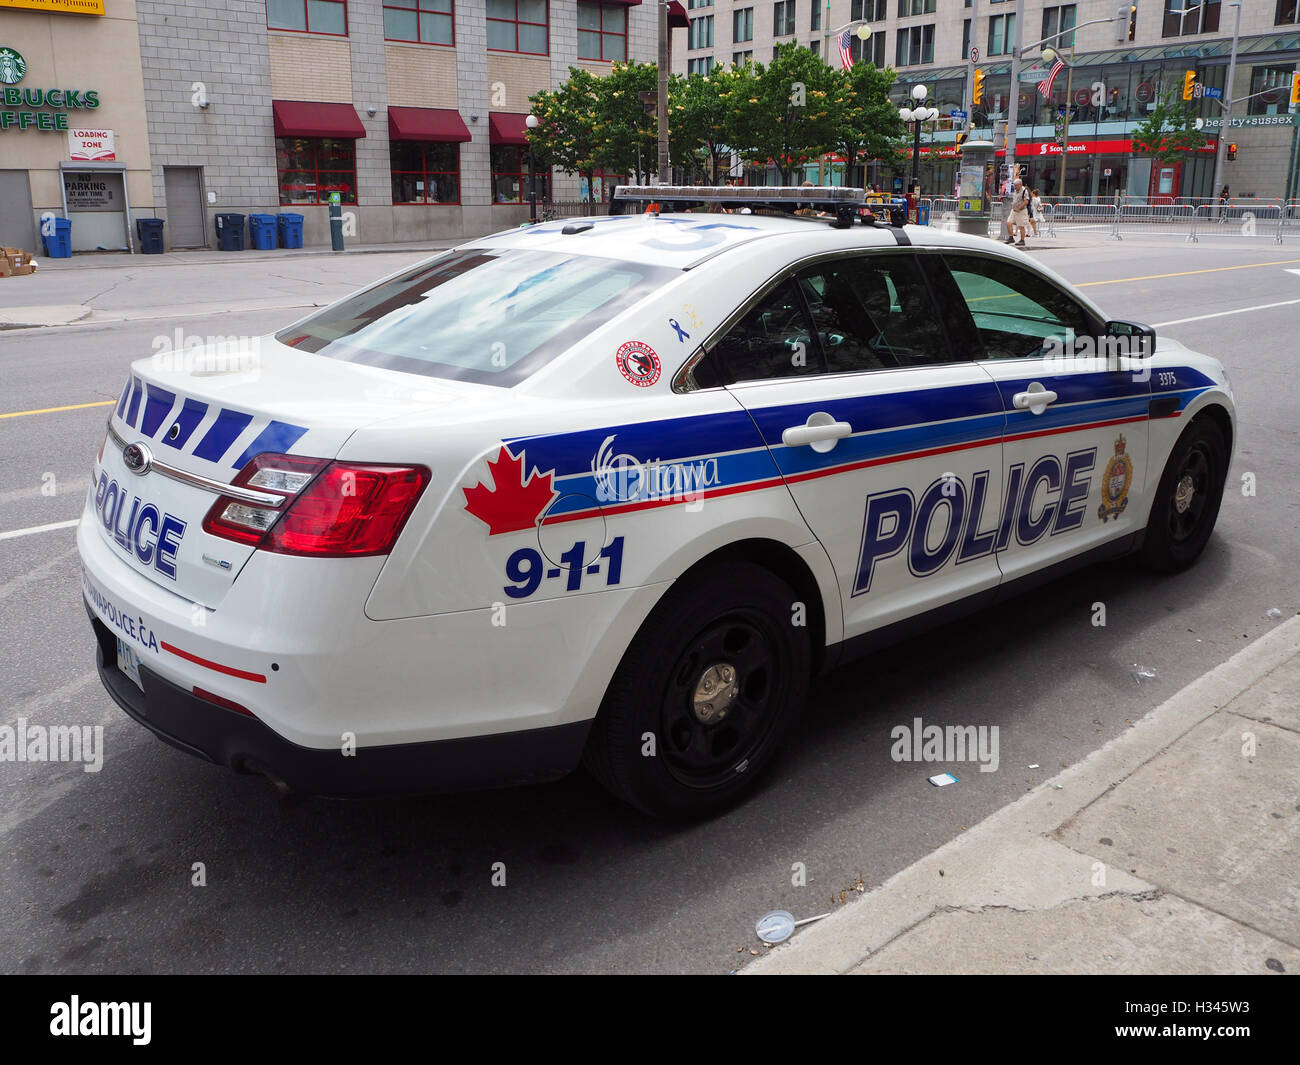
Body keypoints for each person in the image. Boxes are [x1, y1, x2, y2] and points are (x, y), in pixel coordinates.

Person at [1003, 179, 1030, 247]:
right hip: (1014, 210)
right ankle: (1011, 237)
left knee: (1021, 226)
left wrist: (1019, 208)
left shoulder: (1024, 191)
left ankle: (1022, 240)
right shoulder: (1016, 190)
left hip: (1021, 211)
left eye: (1016, 185)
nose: (1015, 187)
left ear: (1020, 185)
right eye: (1014, 185)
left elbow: (1026, 201)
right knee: (1009, 222)